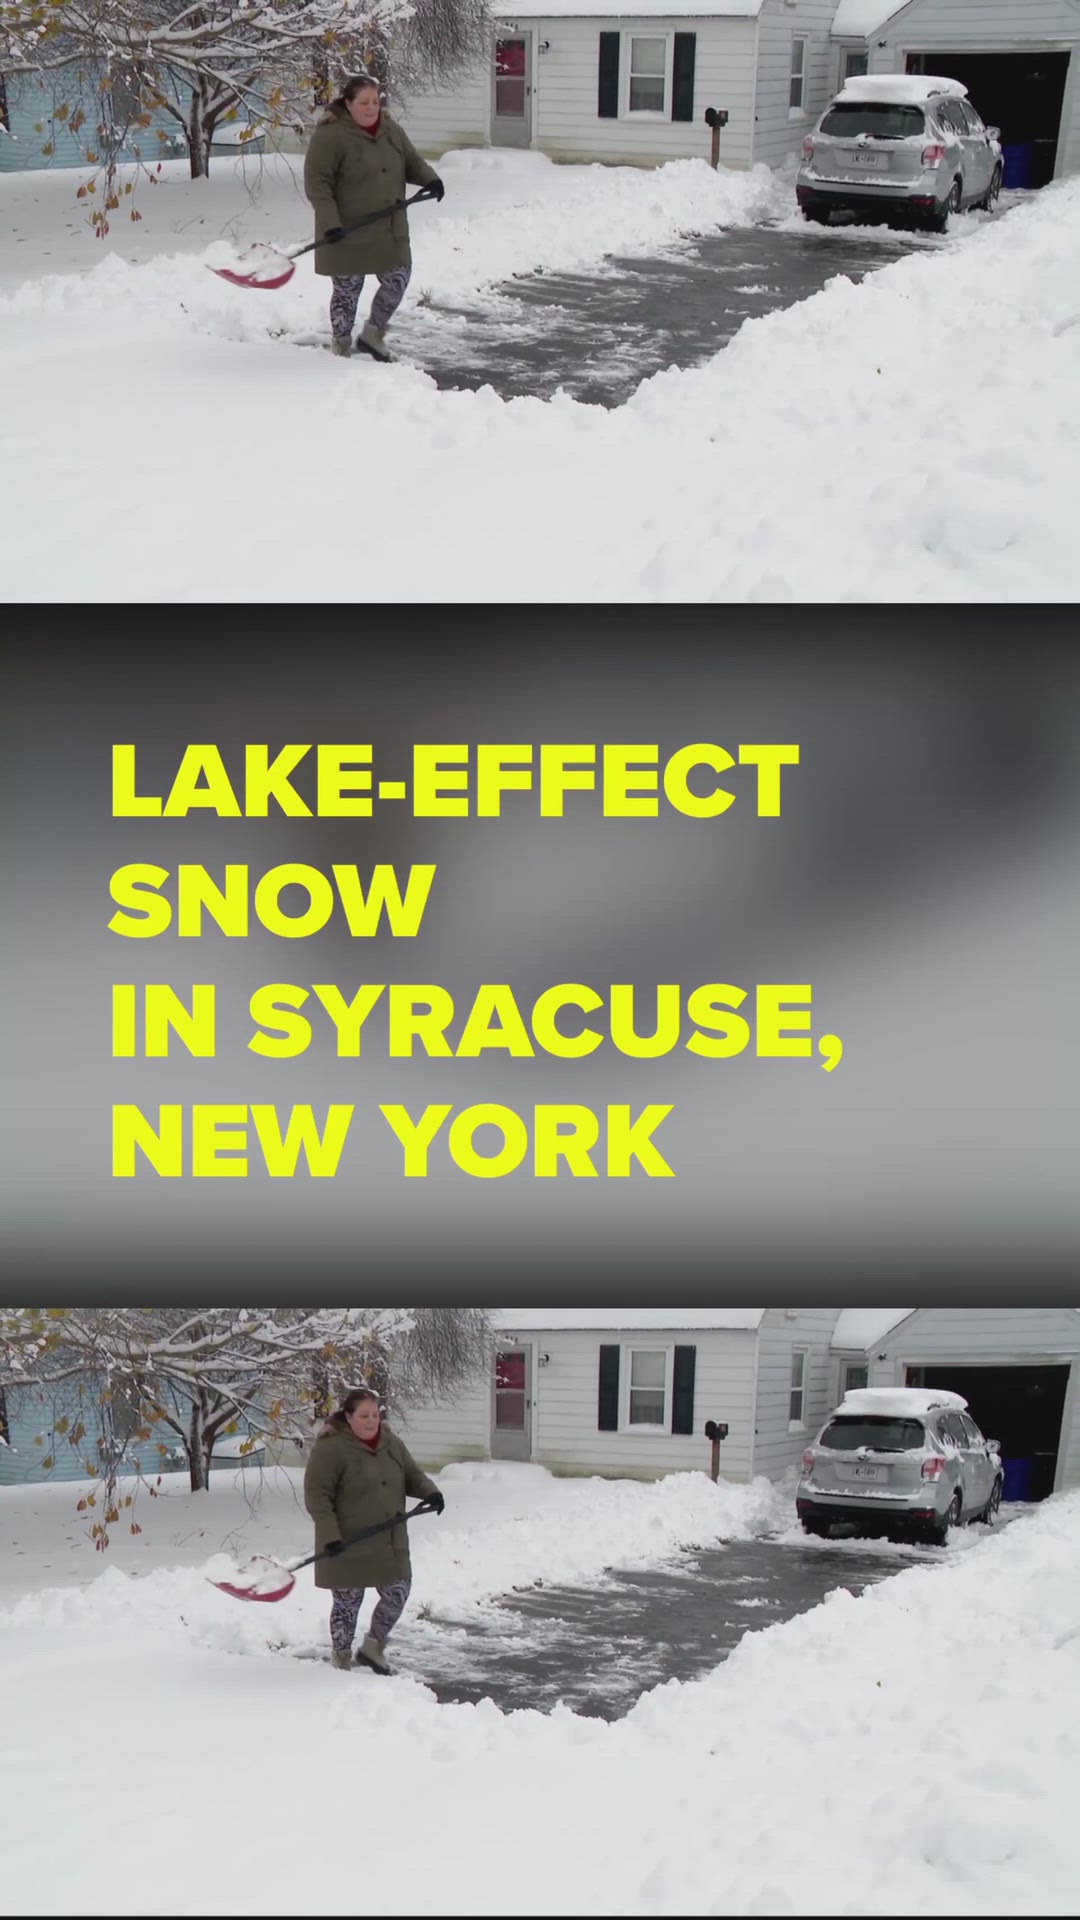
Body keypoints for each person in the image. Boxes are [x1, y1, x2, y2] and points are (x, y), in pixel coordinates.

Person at [303, 75, 445, 362]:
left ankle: (373, 335)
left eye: (375, 102)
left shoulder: (391, 129)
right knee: (347, 292)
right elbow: (318, 183)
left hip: (389, 227)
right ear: (348, 103)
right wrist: (330, 224)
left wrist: (430, 179)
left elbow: (411, 160)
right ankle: (341, 345)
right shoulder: (331, 135)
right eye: (363, 102)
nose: (371, 108)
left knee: (398, 278)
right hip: (347, 229)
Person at [303, 1386, 444, 1672]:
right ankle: (341, 1658)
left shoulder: (391, 1443)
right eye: (364, 1415)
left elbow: (412, 1474)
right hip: (347, 1541)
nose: (371, 1421)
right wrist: (330, 1537)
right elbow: (317, 1496)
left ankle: (373, 1647)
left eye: (375, 1415)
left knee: (398, 1590)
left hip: (389, 1540)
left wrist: (430, 1492)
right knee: (347, 1604)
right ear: (348, 1416)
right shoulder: (331, 1448)